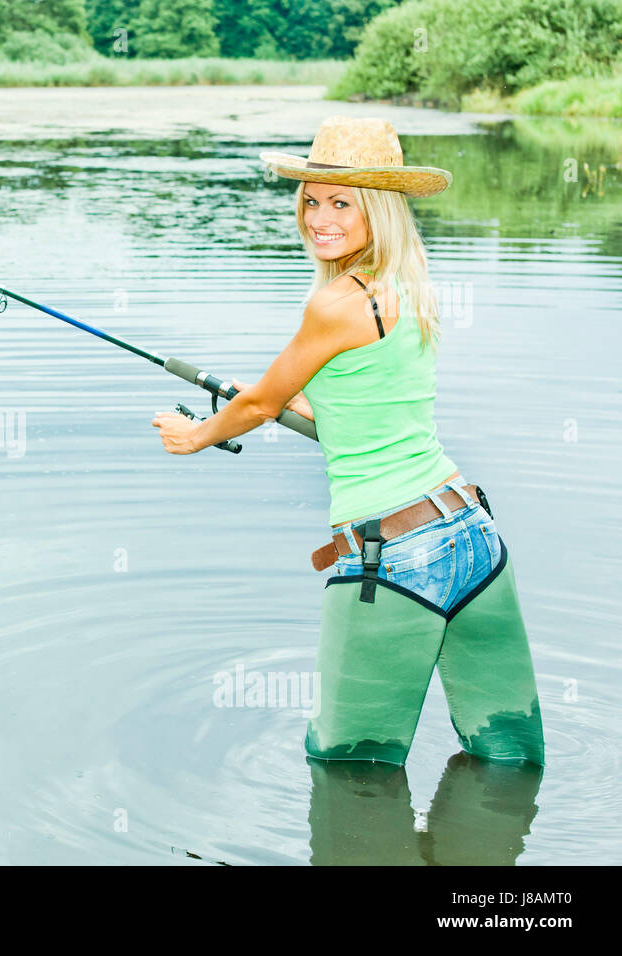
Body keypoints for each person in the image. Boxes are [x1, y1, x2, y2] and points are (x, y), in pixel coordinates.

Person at [151, 116, 543, 766]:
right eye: (311, 200)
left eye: (341, 202)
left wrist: (196, 436)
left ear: (379, 209)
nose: (319, 217)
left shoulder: (334, 303)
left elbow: (262, 403)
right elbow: (366, 399)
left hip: (391, 558)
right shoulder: (411, 282)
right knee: (510, 755)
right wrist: (281, 399)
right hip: (472, 532)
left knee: (345, 769)